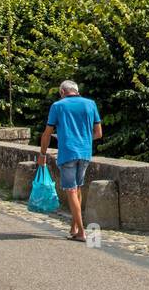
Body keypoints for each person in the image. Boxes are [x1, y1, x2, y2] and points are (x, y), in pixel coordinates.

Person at [38, 80, 102, 243]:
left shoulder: (58, 106)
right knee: (78, 189)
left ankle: (82, 232)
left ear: (62, 92)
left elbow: (47, 133)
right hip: (85, 152)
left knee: (71, 190)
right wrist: (83, 139)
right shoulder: (90, 104)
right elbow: (98, 133)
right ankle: (74, 228)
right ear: (76, 90)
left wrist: (42, 154)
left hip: (67, 152)